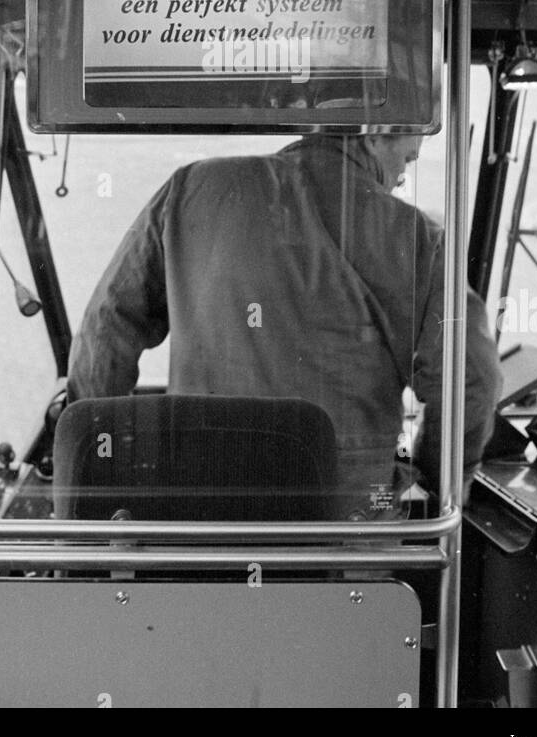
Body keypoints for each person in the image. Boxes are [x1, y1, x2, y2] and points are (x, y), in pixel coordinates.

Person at [66, 134, 502, 512]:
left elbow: (107, 325)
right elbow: (473, 382)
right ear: (375, 133)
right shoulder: (419, 241)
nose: (402, 178)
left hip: (198, 519)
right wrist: (439, 475)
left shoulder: (189, 191)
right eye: (406, 159)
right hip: (344, 538)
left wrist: (99, 460)